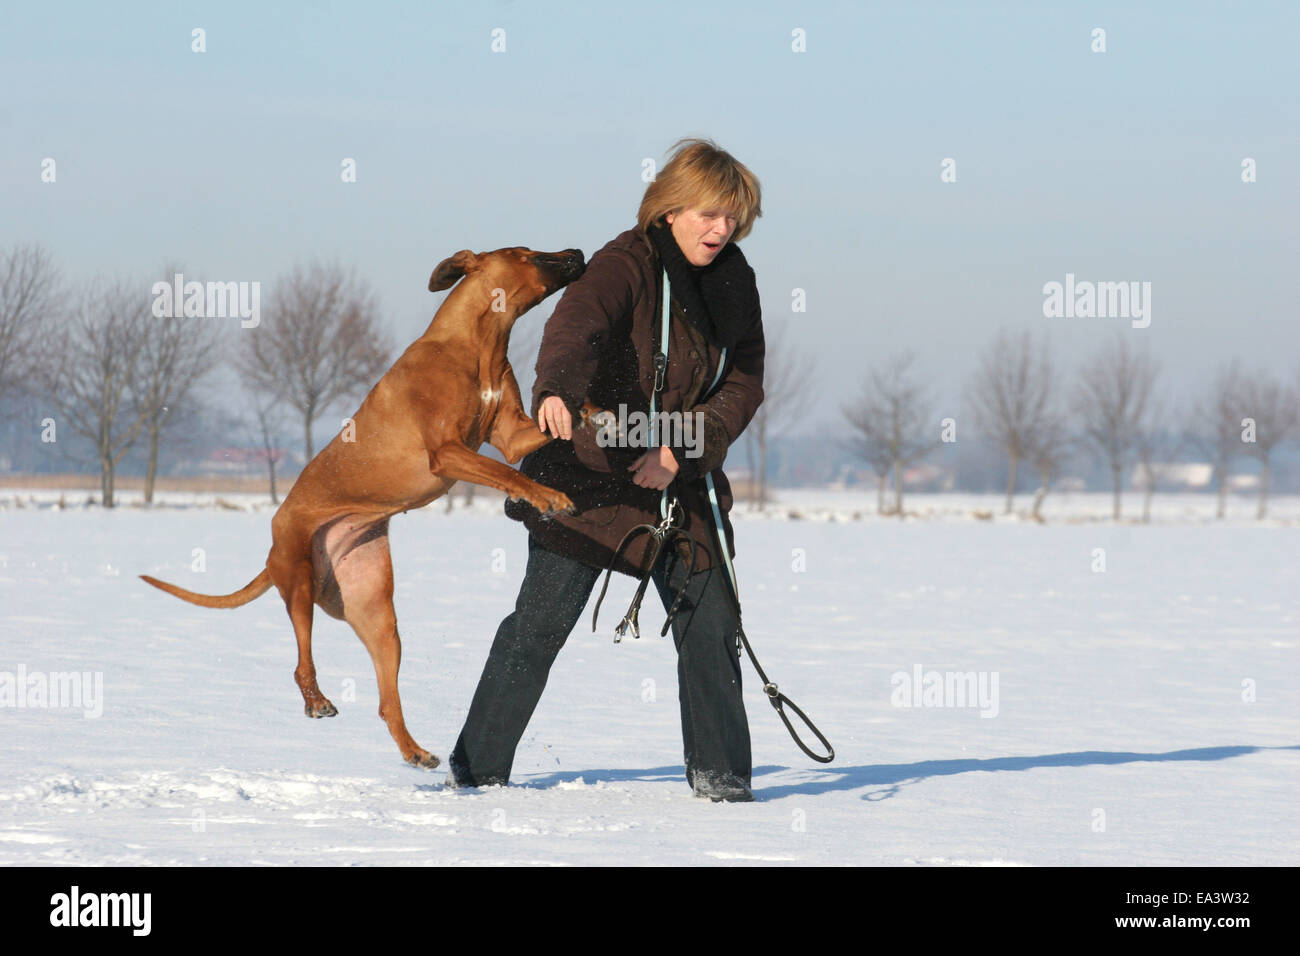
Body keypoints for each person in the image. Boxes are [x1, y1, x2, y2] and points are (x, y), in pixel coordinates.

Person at [447, 137, 765, 802]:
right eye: (709, 213)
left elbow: (743, 383)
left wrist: (681, 448)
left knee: (711, 628)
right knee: (537, 627)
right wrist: (556, 390)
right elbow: (577, 325)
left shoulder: (735, 284)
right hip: (591, 470)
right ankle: (477, 774)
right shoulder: (625, 264)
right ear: (670, 209)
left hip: (682, 472)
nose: (721, 229)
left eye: (733, 218)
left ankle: (725, 787)